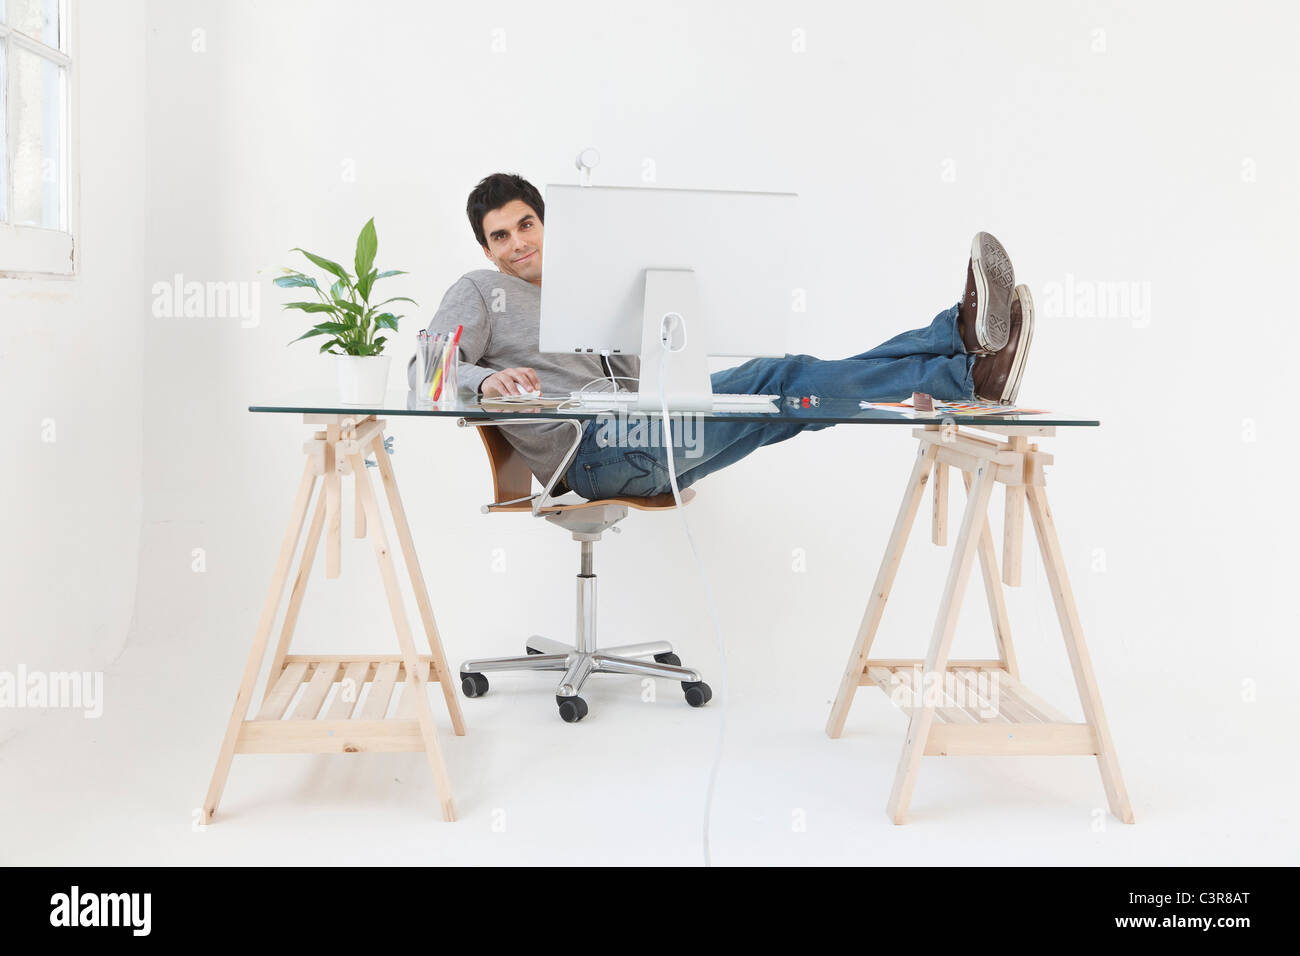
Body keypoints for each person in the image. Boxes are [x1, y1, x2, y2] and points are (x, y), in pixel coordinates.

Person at [408, 172, 1033, 501]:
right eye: (501, 236)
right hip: (594, 456)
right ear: (485, 251)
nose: (519, 243)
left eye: (526, 224)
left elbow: (636, 375)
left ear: (547, 223)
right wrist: (485, 377)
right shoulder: (479, 291)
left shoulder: (587, 281)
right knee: (780, 381)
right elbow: (425, 369)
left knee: (789, 393)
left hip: (643, 423)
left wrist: (647, 314)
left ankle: (962, 356)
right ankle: (959, 347)